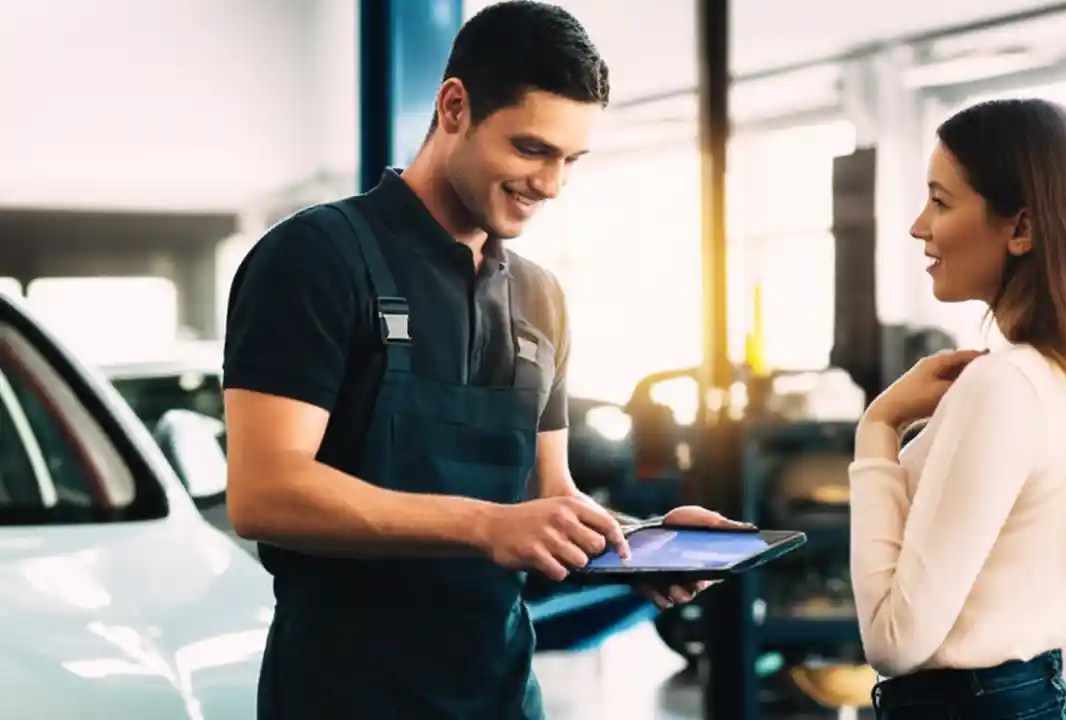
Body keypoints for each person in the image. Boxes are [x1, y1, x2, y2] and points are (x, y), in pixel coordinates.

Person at [221, 3, 747, 718]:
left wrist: (638, 543)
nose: (552, 184)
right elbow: (265, 493)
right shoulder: (315, 258)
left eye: (570, 160)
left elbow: (546, 500)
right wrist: (485, 524)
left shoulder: (540, 298)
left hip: (501, 697)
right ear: (454, 106)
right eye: (531, 149)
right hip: (343, 697)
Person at [846, 98, 1066, 719]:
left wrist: (878, 428)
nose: (918, 226)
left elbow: (894, 640)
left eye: (940, 201)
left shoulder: (1004, 386)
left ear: (1021, 228)